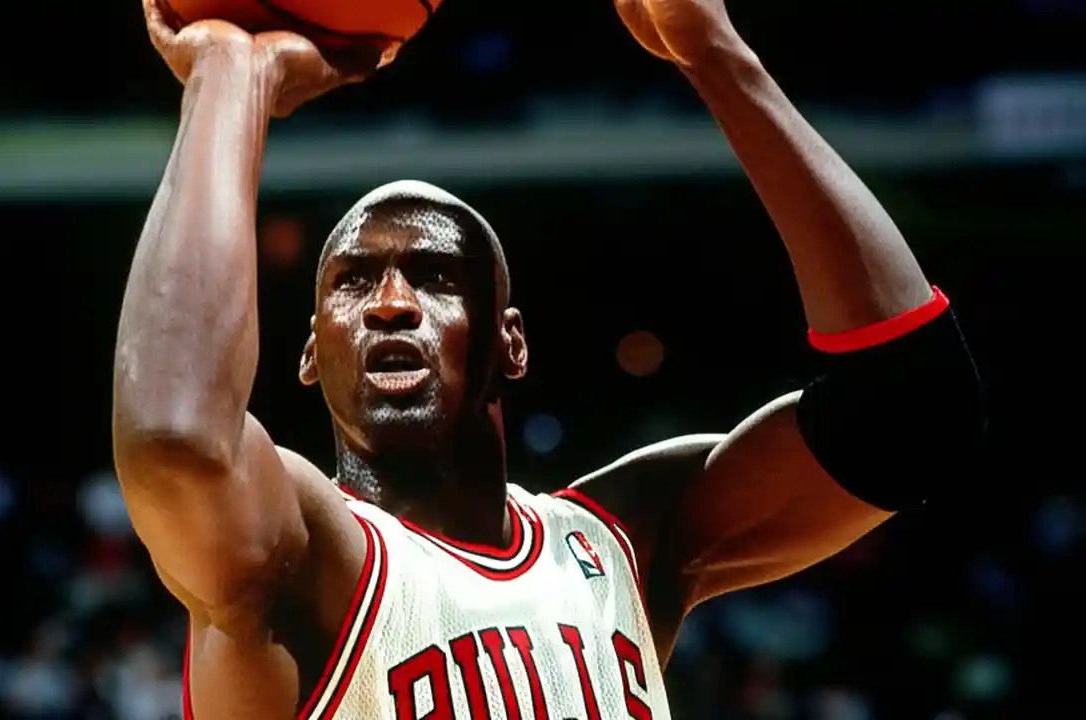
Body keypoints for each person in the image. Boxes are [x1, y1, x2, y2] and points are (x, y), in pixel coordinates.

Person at [113, 0, 988, 718]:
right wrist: (232, 71)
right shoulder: (301, 551)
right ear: (311, 351)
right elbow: (172, 439)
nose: (389, 301)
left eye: (436, 274)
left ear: (510, 342)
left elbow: (915, 413)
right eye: (352, 281)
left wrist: (716, 54)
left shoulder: (626, 543)